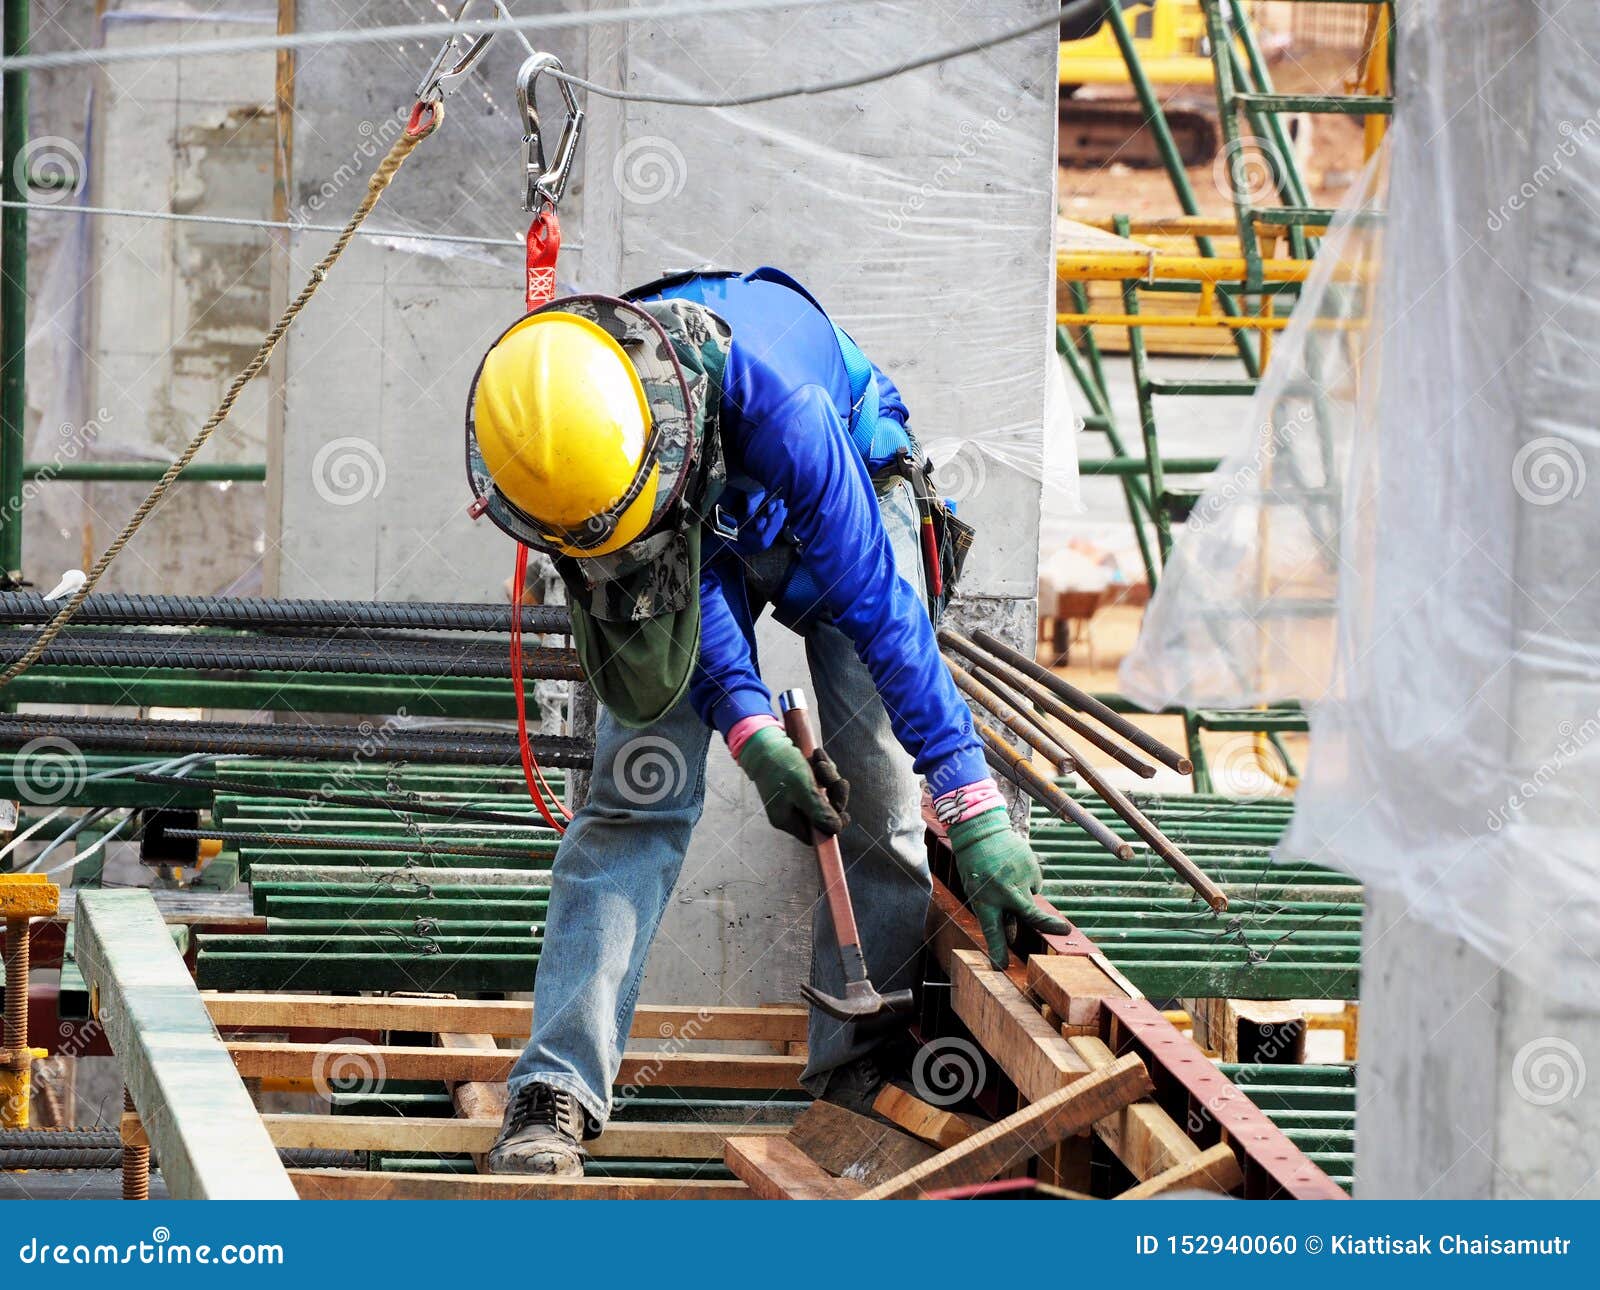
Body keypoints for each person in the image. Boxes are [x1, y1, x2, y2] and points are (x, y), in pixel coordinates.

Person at [463, 268, 1069, 1176]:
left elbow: (883, 615)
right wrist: (753, 733)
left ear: (664, 441)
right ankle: (554, 1089)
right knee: (637, 795)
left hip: (850, 488)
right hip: (691, 521)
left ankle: (860, 1062)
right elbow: (684, 579)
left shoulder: (781, 416)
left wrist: (973, 802)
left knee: (879, 787)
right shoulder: (571, 439)